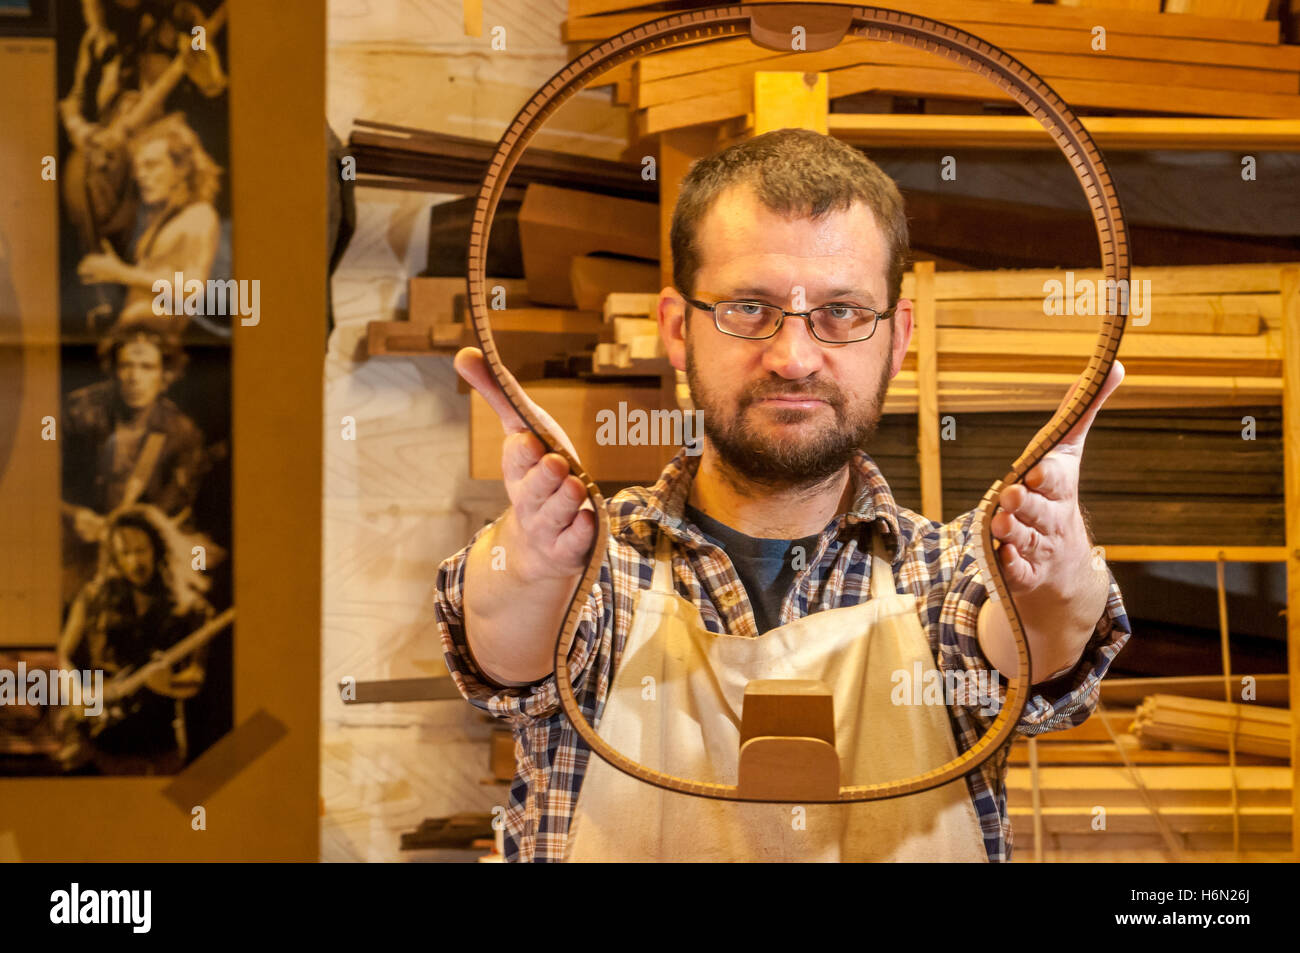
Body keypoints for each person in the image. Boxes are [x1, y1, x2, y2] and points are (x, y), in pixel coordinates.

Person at [435, 129, 1132, 862]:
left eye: (840, 312)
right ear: (678, 329)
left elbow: (1038, 648)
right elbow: (506, 640)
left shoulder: (948, 575)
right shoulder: (598, 564)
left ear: (896, 339)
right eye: (747, 307)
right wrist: (534, 561)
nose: (794, 357)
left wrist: (1057, 575)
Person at [57, 506, 213, 775]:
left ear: (158, 548)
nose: (134, 562)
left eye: (141, 551)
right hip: (97, 746)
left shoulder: (191, 609)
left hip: (159, 750)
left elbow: (196, 676)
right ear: (114, 556)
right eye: (125, 553)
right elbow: (59, 655)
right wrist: (76, 693)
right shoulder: (94, 597)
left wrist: (170, 685)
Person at [62, 322, 208, 604]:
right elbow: (35, 480)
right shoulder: (79, 412)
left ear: (164, 374)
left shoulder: (182, 433)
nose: (134, 377)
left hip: (146, 546)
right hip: (80, 543)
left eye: (147, 367)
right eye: (126, 365)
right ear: (114, 370)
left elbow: (175, 507)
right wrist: (72, 515)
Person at [76, 112, 222, 328]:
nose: (141, 176)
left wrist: (120, 273)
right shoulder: (164, 217)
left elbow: (193, 291)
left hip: (158, 342)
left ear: (181, 168)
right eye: (138, 168)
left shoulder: (199, 216)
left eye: (151, 165)